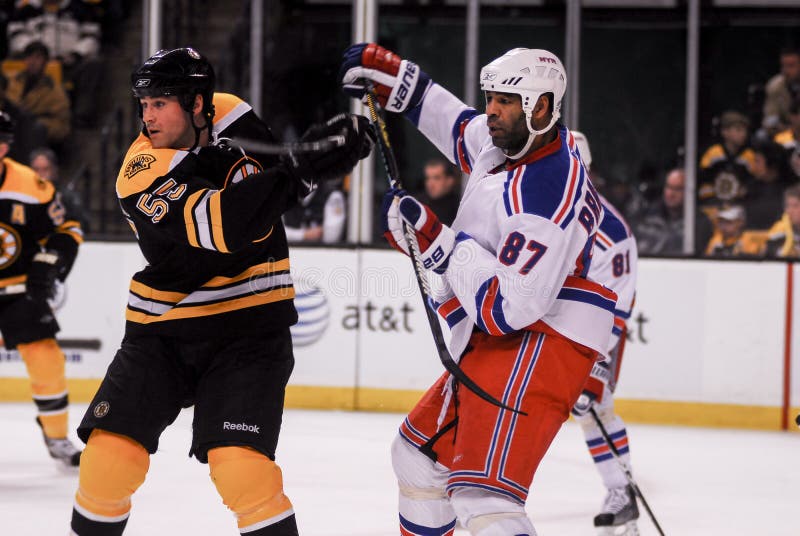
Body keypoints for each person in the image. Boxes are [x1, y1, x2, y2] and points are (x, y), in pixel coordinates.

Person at [68, 47, 374, 536]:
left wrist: (316, 154)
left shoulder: (232, 111)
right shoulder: (140, 174)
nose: (147, 115)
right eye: (143, 103)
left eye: (160, 102)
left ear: (197, 103)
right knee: (106, 464)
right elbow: (229, 222)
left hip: (251, 329)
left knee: (242, 470)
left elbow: (271, 187)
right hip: (164, 329)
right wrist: (305, 166)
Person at [341, 43, 616, 535]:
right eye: (491, 97)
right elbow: (455, 123)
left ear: (543, 107)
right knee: (418, 458)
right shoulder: (515, 147)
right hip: (518, 337)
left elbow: (506, 309)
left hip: (544, 339)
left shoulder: (546, 191)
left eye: (506, 101)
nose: (492, 110)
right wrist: (399, 78)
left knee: (483, 496)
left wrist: (436, 242)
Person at [0, 110, 83, 468]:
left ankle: (56, 436)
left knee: (47, 359)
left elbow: (68, 230)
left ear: (5, 146)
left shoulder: (30, 185)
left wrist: (49, 264)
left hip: (20, 290)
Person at [571, 131, 640, 535]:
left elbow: (617, 306)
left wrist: (596, 362)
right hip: (545, 321)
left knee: (592, 408)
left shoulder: (612, 233)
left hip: (595, 333)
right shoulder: (540, 202)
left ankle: (621, 492)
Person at [8, 0, 104, 127]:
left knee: (93, 64)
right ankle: (18, 112)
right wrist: (36, 52)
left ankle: (81, 116)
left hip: (69, 63)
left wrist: (76, 54)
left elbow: (92, 37)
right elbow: (16, 36)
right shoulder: (27, 9)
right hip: (35, 61)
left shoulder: (80, 8)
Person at [4, 41, 71, 145]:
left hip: (34, 141)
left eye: (38, 57)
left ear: (45, 61)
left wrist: (35, 125)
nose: (32, 62)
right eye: (29, 57)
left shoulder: (55, 91)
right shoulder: (10, 81)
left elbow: (62, 127)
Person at [698, 110, 754, 208]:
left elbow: (752, 184)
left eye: (745, 130)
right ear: (725, 132)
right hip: (712, 205)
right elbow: (703, 180)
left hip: (739, 208)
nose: (743, 134)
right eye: (738, 130)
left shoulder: (749, 156)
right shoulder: (713, 154)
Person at [29, 146, 88, 230]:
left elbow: (83, 223)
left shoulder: (66, 197)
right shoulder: (23, 195)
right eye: (36, 169)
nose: (40, 174)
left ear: (54, 170)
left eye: (45, 169)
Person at [633, 168, 686, 255]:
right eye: (669, 187)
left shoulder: (698, 223)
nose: (671, 193)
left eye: (677, 189)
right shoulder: (647, 217)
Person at [282, 176, 346, 243]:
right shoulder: (285, 194)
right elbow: (277, 233)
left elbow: (331, 237)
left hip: (322, 252)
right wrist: (304, 235)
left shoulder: (333, 195)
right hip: (291, 250)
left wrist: (292, 234)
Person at [763, 48, 800, 132]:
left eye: (791, 65)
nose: (786, 71)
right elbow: (770, 119)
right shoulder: (775, 86)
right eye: (783, 66)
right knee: (761, 136)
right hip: (785, 131)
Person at [418, 157, 461, 225]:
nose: (430, 184)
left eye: (436, 178)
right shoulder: (417, 205)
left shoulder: (461, 208)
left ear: (449, 181)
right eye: (427, 178)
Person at [765, 184, 800, 258]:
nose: (789, 211)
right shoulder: (779, 230)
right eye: (787, 206)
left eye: (795, 206)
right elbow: (770, 254)